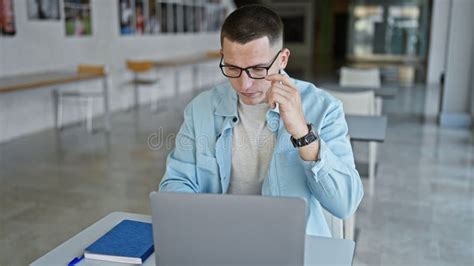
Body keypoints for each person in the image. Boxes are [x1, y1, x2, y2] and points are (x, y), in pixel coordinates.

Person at [159, 4, 363, 237]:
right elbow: (175, 184)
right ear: (222, 57)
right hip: (219, 237)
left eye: (258, 69)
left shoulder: (325, 108)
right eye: (233, 68)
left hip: (291, 243)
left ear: (283, 59)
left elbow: (345, 204)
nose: (244, 84)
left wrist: (303, 134)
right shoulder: (201, 109)